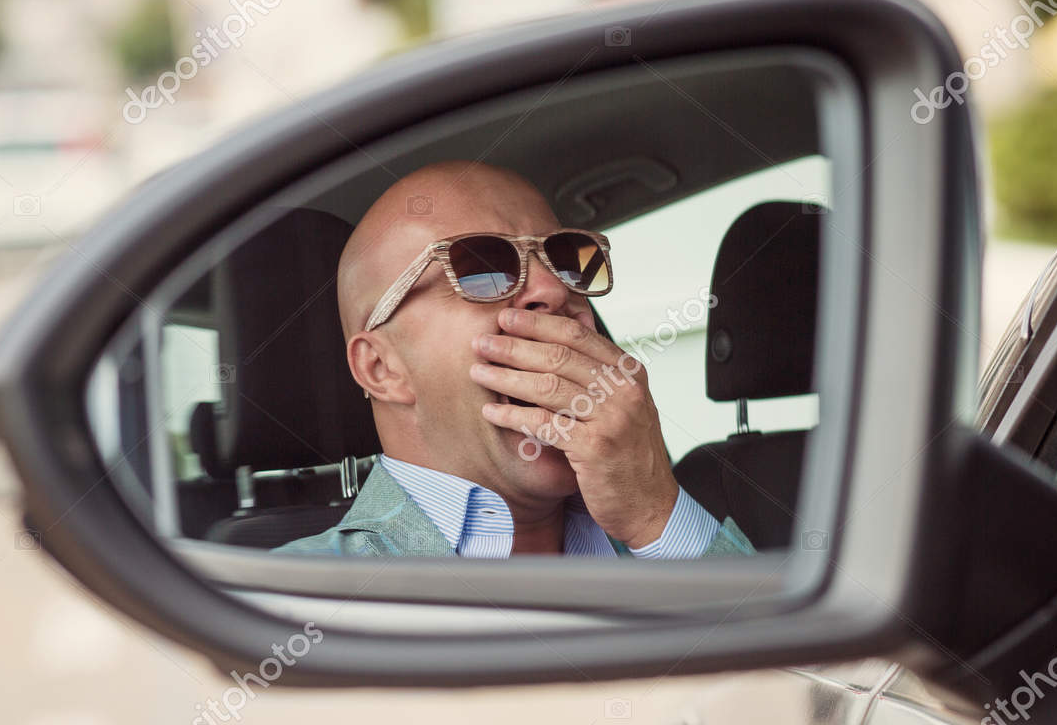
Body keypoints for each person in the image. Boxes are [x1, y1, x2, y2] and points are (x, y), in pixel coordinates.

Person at [274, 160, 752, 558]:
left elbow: (803, 673)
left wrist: (655, 517)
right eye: (481, 269)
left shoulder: (669, 530)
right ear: (382, 368)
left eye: (566, 259)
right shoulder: (291, 597)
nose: (554, 290)